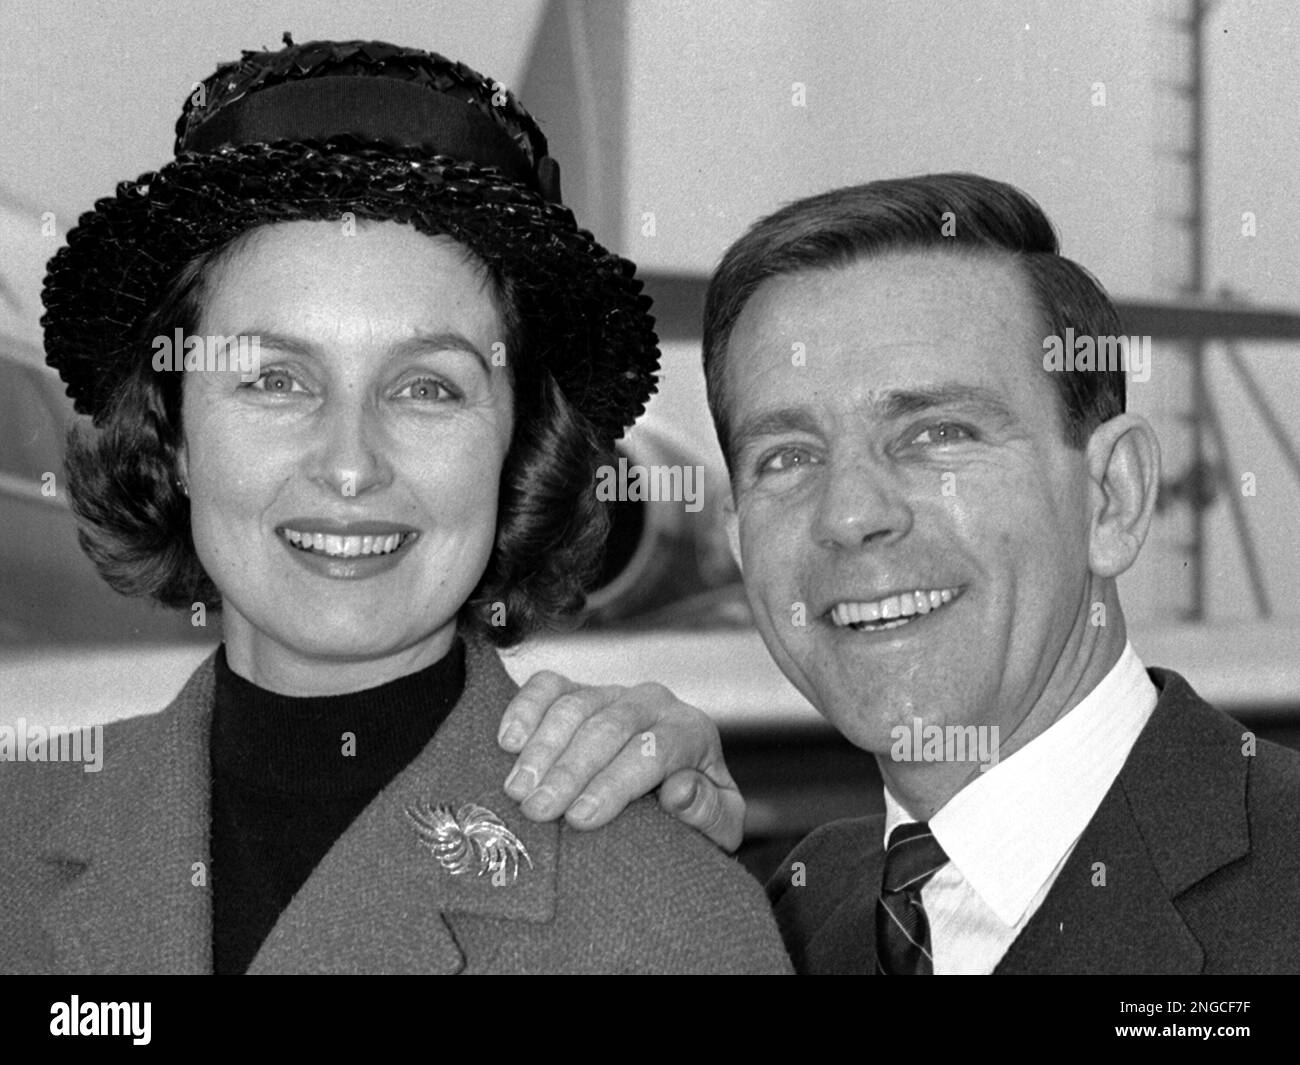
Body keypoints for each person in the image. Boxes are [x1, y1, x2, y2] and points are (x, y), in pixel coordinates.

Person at [0, 37, 790, 975]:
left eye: (428, 389)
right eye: (275, 379)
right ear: (173, 435)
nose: (348, 464)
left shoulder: (672, 922)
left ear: (519, 449)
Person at [497, 173, 1300, 974]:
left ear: (1112, 497)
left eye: (935, 433)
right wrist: (654, 881)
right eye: (787, 457)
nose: (849, 514)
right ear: (743, 546)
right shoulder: (771, 923)